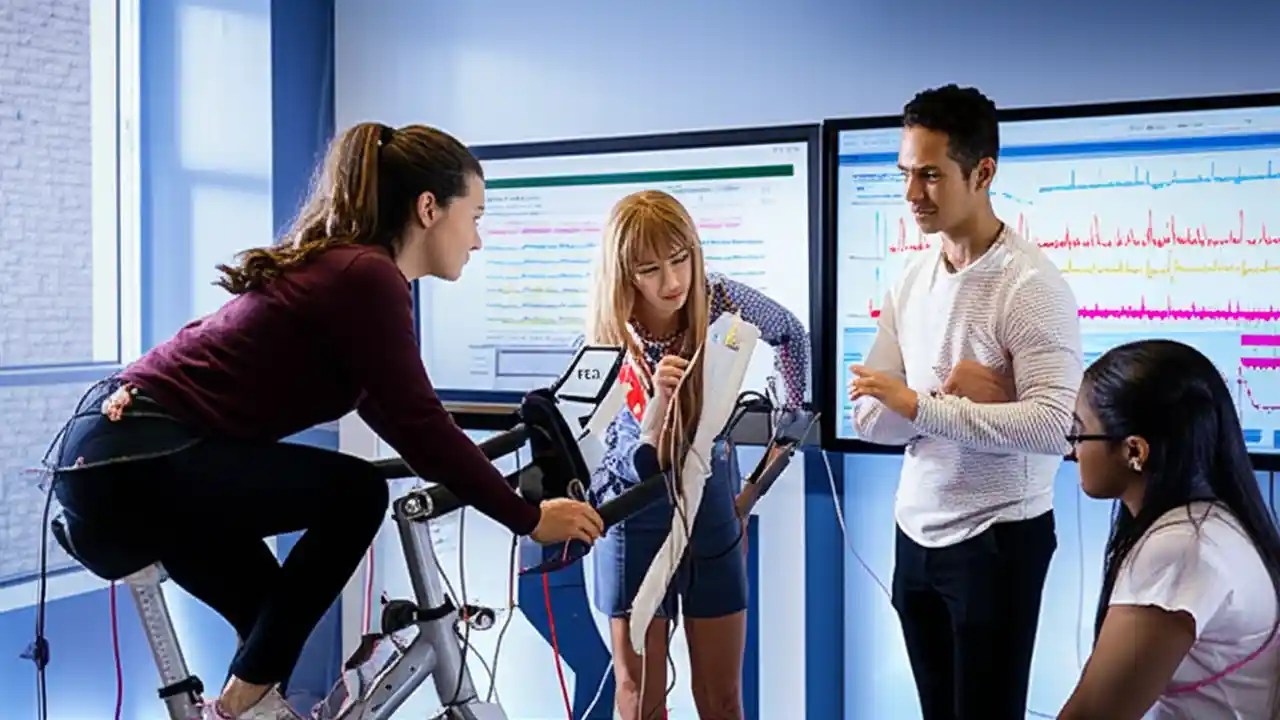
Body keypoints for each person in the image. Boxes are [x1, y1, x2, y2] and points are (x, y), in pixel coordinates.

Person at [44, 122, 604, 720]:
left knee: (270, 616)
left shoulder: (346, 274)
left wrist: (486, 478)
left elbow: (399, 416)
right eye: (476, 216)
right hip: (141, 456)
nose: (478, 240)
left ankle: (242, 705)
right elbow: (420, 425)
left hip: (117, 459)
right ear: (428, 208)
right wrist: (525, 518)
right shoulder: (366, 276)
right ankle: (237, 708)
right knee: (357, 493)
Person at [846, 84, 1083, 720]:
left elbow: (1055, 427)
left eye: (930, 175)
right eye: (905, 174)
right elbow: (868, 417)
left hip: (997, 538)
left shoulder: (1031, 286)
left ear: (983, 172)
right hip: (915, 533)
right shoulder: (911, 278)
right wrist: (936, 401)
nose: (911, 194)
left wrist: (918, 408)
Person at [584, 189, 809, 720]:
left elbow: (790, 334)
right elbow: (629, 465)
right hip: (633, 517)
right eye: (650, 269)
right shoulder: (607, 339)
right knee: (641, 703)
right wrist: (659, 403)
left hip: (711, 509)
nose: (673, 282)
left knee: (723, 701)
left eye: (681, 259)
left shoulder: (724, 300)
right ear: (624, 274)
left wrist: (783, 432)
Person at [1058, 340, 1280, 719]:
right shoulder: (1210, 524)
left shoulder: (1179, 552)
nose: (1074, 450)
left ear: (1134, 451)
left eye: (1080, 433)